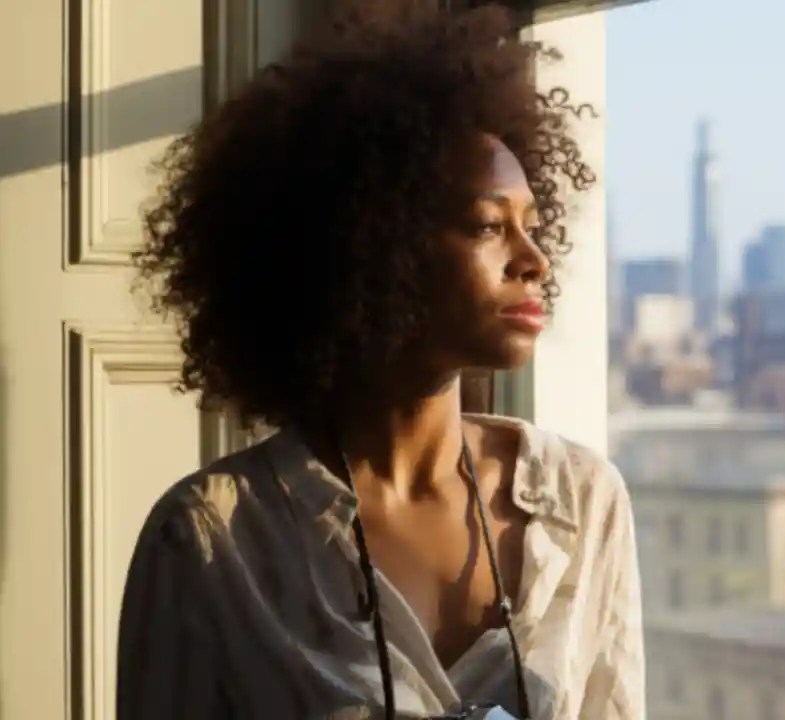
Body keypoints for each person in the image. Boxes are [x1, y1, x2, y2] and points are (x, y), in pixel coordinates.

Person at [117, 5, 643, 718]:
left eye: (533, 225)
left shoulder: (581, 503)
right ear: (372, 246)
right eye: (490, 226)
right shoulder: (213, 541)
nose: (535, 260)